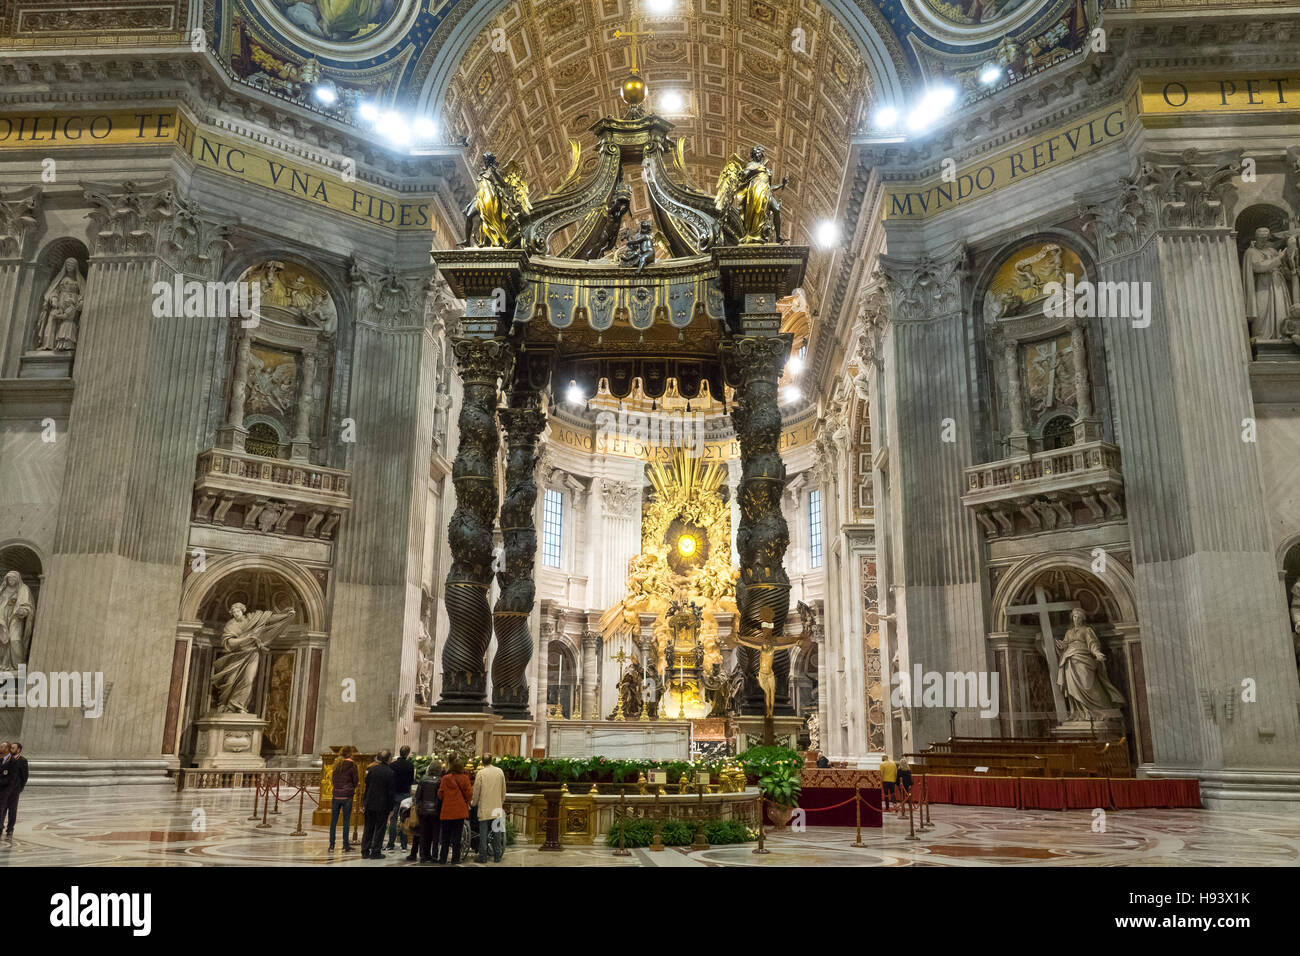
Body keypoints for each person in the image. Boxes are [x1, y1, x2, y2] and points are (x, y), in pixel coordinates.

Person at [472, 753, 507, 864]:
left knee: (483, 832)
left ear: (482, 761)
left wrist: (474, 803)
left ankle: (483, 855)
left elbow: (476, 791)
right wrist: (501, 801)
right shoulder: (499, 771)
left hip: (484, 806)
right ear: (491, 761)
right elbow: (503, 789)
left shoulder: (481, 773)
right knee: (496, 831)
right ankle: (497, 855)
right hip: (496, 805)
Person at [437, 756, 473, 864]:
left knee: (445, 837)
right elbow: (469, 794)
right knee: (457, 837)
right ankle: (455, 859)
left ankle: (443, 858)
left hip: (447, 811)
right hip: (459, 811)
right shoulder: (465, 778)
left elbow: (440, 794)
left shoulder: (445, 778)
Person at [408, 760, 444, 863]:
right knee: (435, 834)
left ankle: (424, 855)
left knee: (424, 833)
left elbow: (417, 796)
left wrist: (418, 806)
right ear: (439, 769)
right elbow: (441, 797)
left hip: (423, 811)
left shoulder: (423, 780)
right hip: (436, 811)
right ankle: (434, 855)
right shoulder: (440, 781)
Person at [361, 750, 394, 860]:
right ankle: (375, 851)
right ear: (389, 759)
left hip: (370, 803)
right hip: (382, 805)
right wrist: (391, 807)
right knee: (380, 828)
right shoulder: (390, 772)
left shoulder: (372, 770)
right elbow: (390, 792)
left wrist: (364, 802)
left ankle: (365, 851)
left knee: (368, 828)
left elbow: (367, 786)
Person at [328, 747, 358, 852]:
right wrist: (351, 788)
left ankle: (331, 845)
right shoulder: (352, 765)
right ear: (350, 754)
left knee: (333, 822)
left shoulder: (336, 764)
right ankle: (345, 845)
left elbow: (333, 779)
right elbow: (356, 780)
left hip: (336, 795)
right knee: (346, 821)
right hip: (347, 797)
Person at [386, 745, 415, 852]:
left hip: (394, 794)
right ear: (407, 753)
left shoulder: (393, 765)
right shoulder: (410, 765)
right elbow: (412, 780)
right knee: (404, 819)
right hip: (405, 794)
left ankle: (390, 844)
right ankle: (403, 845)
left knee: (393, 819)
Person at [0, 742, 28, 837]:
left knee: (12, 810)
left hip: (14, 790)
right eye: (10, 748)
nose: (11, 749)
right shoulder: (6, 759)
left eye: (13, 748)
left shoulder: (22, 761)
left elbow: (24, 776)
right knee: (2, 809)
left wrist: (20, 788)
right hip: (5, 789)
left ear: (18, 749)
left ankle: (10, 828)